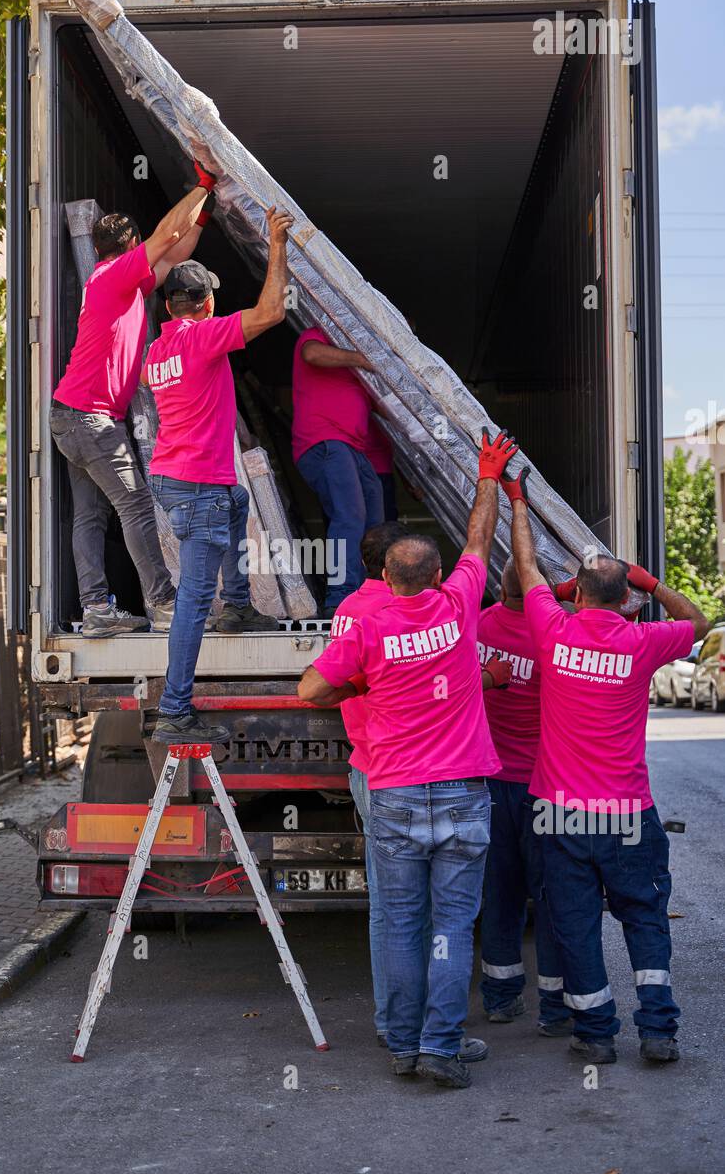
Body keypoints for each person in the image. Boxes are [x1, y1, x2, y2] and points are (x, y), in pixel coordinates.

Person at [298, 429, 519, 1089]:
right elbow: (479, 541)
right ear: (437, 576)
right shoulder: (459, 606)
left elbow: (310, 690)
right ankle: (440, 1046)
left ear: (385, 579)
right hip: (462, 793)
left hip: (392, 790)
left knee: (398, 920)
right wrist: (489, 476)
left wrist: (360, 680)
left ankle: (402, 1043)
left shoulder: (367, 625)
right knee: (452, 924)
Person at [504, 463, 710, 1065]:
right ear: (628, 599)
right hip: (626, 812)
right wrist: (651, 580)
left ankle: (595, 1035)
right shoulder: (643, 642)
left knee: (573, 925)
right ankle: (658, 1031)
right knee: (645, 918)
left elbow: (524, 569)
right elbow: (699, 622)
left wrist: (518, 499)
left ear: (574, 592)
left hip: (559, 813)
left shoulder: (552, 631)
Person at [145, 207, 294, 745]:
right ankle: (174, 708)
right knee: (192, 597)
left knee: (236, 500)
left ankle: (237, 607)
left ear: (168, 306)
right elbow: (272, 311)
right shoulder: (202, 338)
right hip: (196, 485)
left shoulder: (158, 350)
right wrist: (277, 243)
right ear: (206, 305)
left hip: (174, 479)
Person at [50, 164, 214, 638]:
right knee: (137, 507)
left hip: (72, 418)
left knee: (91, 515)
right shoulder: (112, 277)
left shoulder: (123, 281)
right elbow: (165, 237)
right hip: (91, 421)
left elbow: (175, 250)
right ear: (129, 247)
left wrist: (203, 213)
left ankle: (96, 607)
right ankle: (163, 604)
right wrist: (202, 185)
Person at [477, 557, 570, 1036]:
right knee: (550, 894)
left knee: (500, 891)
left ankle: (500, 996)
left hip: (490, 783)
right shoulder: (553, 636)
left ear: (498, 586)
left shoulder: (477, 626)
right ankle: (555, 1005)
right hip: (543, 786)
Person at [331, 521, 413, 1044]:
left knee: (386, 905)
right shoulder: (394, 613)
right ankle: (406, 1024)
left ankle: (393, 1020)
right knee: (412, 909)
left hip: (365, 764)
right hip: (404, 771)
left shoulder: (345, 612)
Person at [291, 330, 383, 615]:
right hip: (325, 441)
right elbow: (311, 353)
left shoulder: (358, 371)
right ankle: (341, 597)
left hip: (353, 450)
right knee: (350, 515)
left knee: (375, 522)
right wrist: (362, 359)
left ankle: (372, 593)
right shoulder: (319, 335)